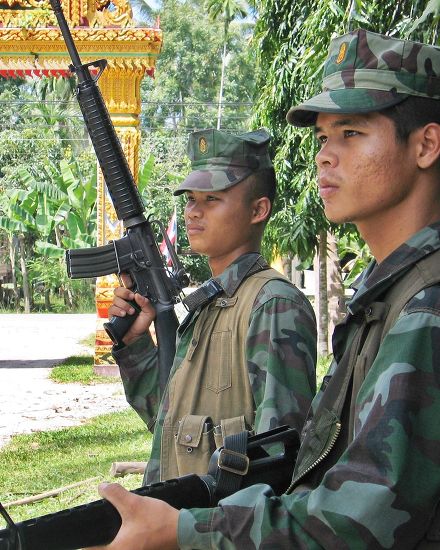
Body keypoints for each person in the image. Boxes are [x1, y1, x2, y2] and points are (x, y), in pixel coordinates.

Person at [88, 28, 440, 549]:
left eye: (352, 133)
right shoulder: (383, 296)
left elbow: (337, 500)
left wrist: (185, 531)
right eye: (322, 138)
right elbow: (174, 424)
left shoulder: (421, 302)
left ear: (426, 144)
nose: (324, 156)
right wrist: (137, 346)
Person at [109, 127, 317, 485]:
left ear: (258, 209)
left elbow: (280, 462)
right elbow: (169, 424)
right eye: (190, 199)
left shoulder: (272, 306)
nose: (192, 212)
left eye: (212, 200)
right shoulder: (208, 305)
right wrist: (134, 346)